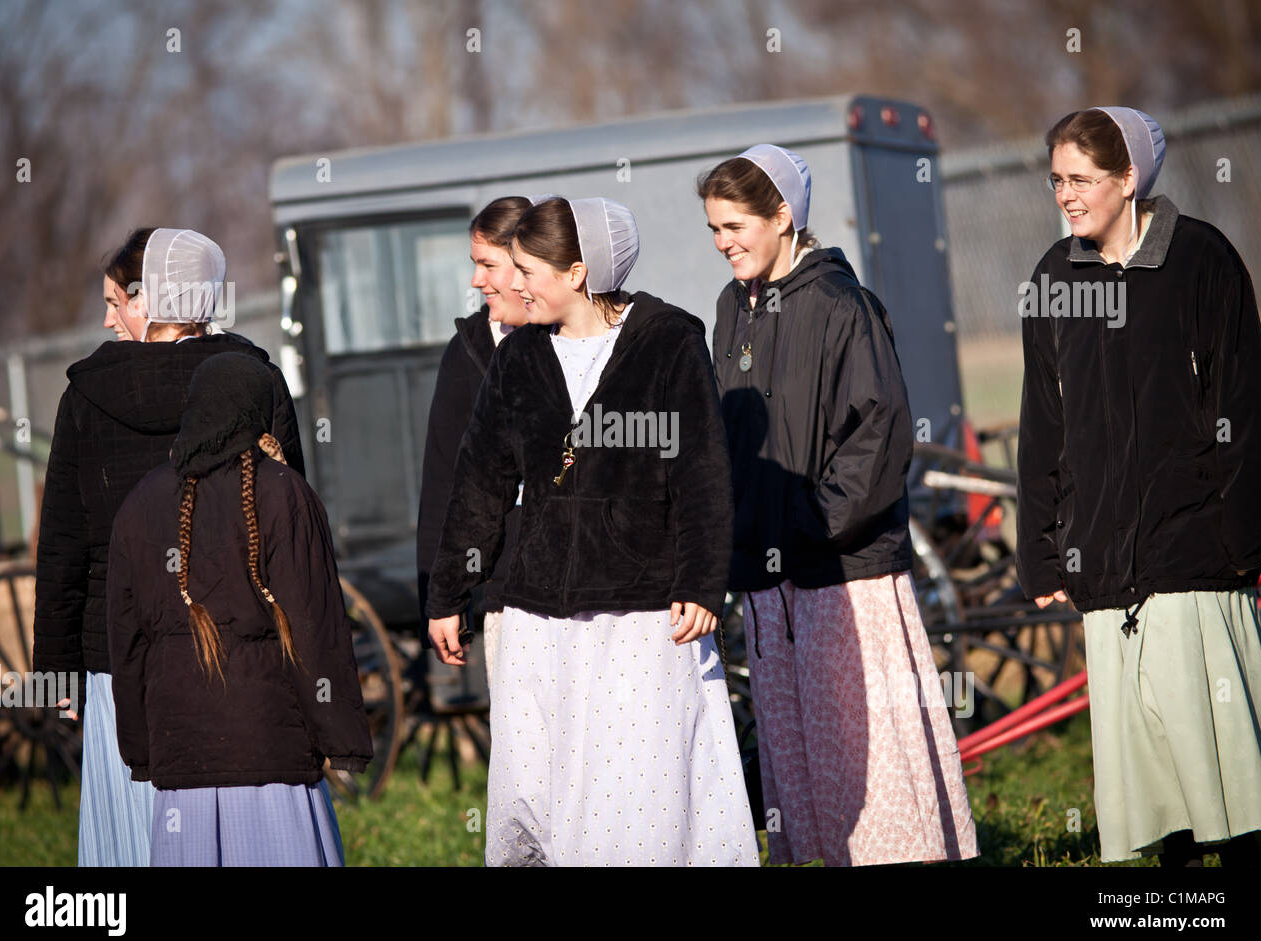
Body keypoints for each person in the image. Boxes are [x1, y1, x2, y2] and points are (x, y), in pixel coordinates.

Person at [426, 197, 758, 866]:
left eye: (527, 270)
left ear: (577, 271)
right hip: (538, 616)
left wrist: (701, 579)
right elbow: (481, 481)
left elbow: (701, 471)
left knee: (635, 794)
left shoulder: (669, 341)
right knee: (545, 797)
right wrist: (448, 592)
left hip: (639, 616)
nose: (513, 286)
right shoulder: (520, 354)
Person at [697, 144, 979, 866]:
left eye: (736, 226)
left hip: (842, 578)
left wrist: (805, 527)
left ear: (783, 215)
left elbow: (879, 435)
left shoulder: (839, 304)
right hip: (769, 589)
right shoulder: (732, 310)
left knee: (871, 765)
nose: (725, 243)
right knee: (807, 780)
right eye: (715, 230)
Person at [1017, 107, 1261, 866]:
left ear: (1128, 178)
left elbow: (1247, 409)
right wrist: (1041, 550)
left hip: (1197, 563)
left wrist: (1245, 542)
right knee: (1161, 808)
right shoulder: (1055, 277)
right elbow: (1044, 425)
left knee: (1232, 790)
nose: (1065, 195)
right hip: (1103, 572)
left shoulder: (1201, 259)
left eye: (1082, 179)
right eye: (1057, 179)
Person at [31, 227, 305, 866]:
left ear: (147, 300)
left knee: (132, 832)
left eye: (114, 300)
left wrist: (56, 663)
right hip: (237, 642)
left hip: (121, 650)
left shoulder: (84, 396)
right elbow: (293, 519)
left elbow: (64, 543)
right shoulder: (254, 381)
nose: (106, 318)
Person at [106, 351, 369, 866]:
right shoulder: (285, 493)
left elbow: (126, 642)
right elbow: (318, 629)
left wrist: (140, 747)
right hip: (272, 758)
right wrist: (344, 740)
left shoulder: (140, 502)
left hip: (184, 767)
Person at [417, 196, 531, 685]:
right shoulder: (467, 354)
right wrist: (441, 597)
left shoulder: (579, 339)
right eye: (475, 264)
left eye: (488, 265)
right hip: (507, 590)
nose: (475, 280)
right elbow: (444, 481)